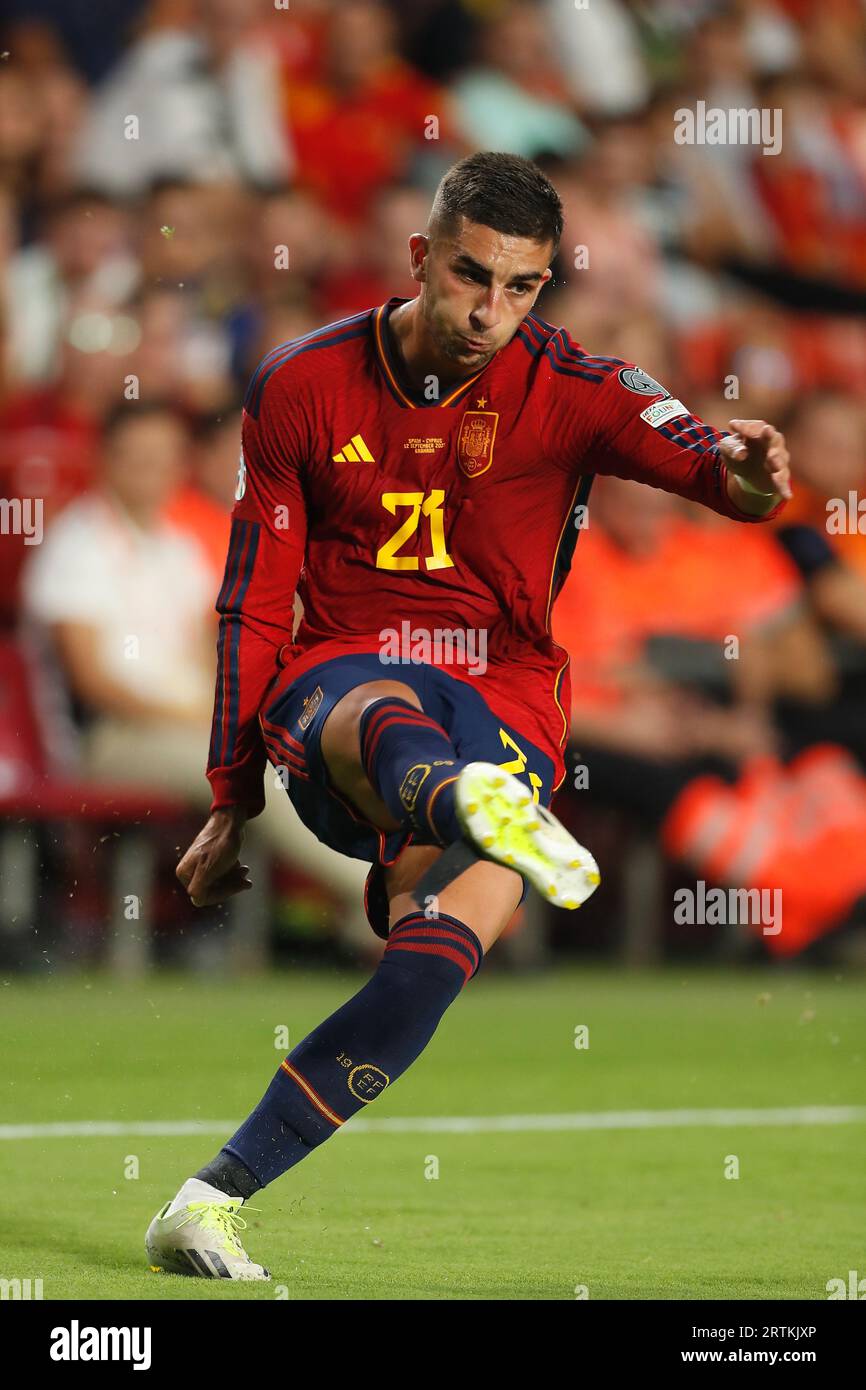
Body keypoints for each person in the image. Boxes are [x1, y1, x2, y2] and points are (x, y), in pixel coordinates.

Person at [147, 152, 791, 1280]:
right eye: (469, 278)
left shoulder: (576, 384)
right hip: (342, 690)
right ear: (419, 258)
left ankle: (206, 1197)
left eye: (521, 288)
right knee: (391, 699)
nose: (491, 311)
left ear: (544, 286)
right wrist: (228, 796)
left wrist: (750, 478)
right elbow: (253, 601)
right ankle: (464, 801)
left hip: (505, 694)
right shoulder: (300, 385)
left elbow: (710, 469)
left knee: (427, 959)